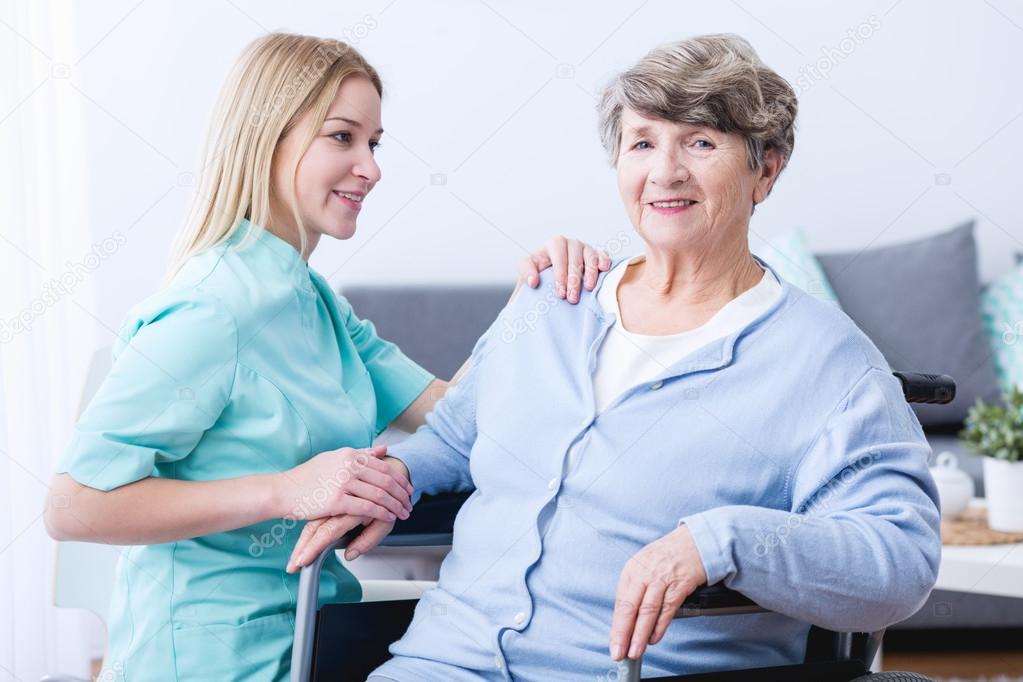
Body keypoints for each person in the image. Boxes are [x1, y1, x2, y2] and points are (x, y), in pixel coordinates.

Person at [290, 34, 941, 680]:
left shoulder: (827, 361)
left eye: (701, 142)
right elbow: (458, 436)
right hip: (442, 663)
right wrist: (387, 476)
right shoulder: (554, 299)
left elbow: (898, 558)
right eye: (642, 142)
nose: (665, 171)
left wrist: (719, 542)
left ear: (764, 169)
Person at [43, 32, 606, 681]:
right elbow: (74, 504)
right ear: (268, 137)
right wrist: (284, 491)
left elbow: (461, 416)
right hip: (211, 659)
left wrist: (529, 303)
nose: (370, 166)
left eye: (373, 142)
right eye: (343, 137)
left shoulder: (311, 300)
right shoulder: (211, 311)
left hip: (315, 632)